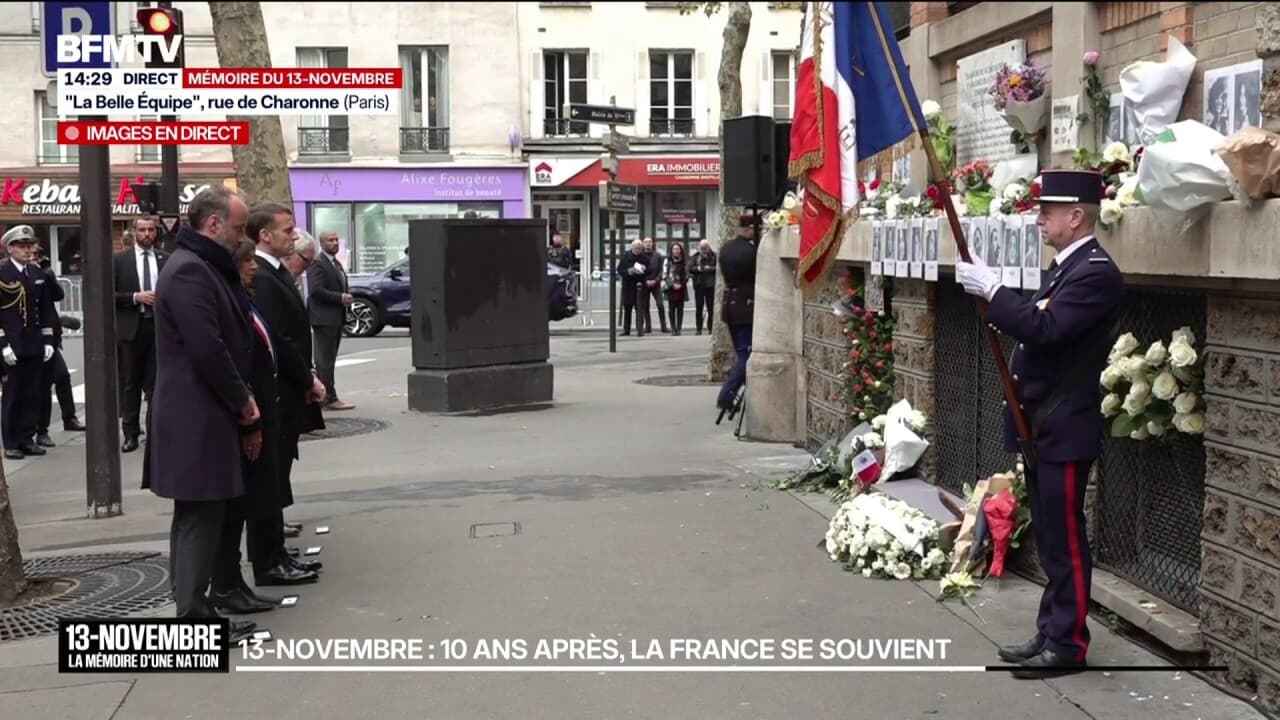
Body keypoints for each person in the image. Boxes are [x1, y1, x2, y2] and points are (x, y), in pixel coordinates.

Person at [955, 169, 1125, 678]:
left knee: (1067, 539)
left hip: (1066, 428)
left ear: (1076, 216)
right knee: (1051, 537)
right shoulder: (1066, 267)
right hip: (1046, 427)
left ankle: (1069, 643)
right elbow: (1037, 324)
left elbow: (1045, 330)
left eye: (1047, 210)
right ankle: (1052, 629)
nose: (1039, 218)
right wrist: (997, 298)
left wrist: (995, 289)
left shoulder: (1096, 272)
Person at [143, 185, 259, 642]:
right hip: (196, 414)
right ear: (213, 225)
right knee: (200, 516)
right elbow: (207, 349)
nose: (240, 236)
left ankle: (196, 606)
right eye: (236, 228)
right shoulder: (192, 270)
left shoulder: (195, 265)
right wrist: (243, 401)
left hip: (197, 411)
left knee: (198, 514)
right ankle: (192, 619)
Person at [249, 205, 325, 586]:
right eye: (287, 229)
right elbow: (277, 336)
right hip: (276, 390)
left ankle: (276, 551)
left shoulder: (274, 272)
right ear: (265, 235)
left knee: (279, 471)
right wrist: (307, 377)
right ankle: (269, 558)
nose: (293, 236)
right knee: (270, 476)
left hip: (287, 389)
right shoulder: (261, 276)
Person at [0, 226, 55, 460]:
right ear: (10, 248)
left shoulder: (36, 273)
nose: (27, 250)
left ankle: (27, 438)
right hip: (11, 343)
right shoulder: (2, 273)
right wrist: (3, 344)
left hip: (33, 342)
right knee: (12, 395)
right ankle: (11, 442)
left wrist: (49, 339)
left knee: (32, 393)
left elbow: (46, 309)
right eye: (21, 246)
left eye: (29, 246)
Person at [113, 216, 166, 452]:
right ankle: (130, 433)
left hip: (158, 327)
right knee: (130, 383)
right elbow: (108, 294)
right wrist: (135, 297)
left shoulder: (165, 259)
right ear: (134, 232)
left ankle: (155, 432)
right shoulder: (120, 261)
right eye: (142, 230)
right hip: (132, 328)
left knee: (155, 384)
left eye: (151, 230)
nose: (147, 234)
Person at [34, 245, 84, 446]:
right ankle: (41, 431)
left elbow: (58, 296)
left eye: (36, 253)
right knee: (41, 386)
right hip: (31, 338)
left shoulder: (44, 274)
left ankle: (69, 417)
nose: (33, 257)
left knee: (62, 377)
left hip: (50, 338)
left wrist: (47, 273)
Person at [306, 230, 356, 411]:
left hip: (335, 318)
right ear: (322, 243)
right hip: (324, 318)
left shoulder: (334, 263)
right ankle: (328, 397)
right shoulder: (318, 263)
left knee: (329, 359)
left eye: (336, 240)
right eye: (330, 240)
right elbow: (316, 291)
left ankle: (323, 395)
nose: (335, 243)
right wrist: (340, 297)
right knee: (324, 360)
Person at [716, 214, 758, 415]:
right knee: (745, 354)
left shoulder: (726, 249)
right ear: (749, 229)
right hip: (746, 307)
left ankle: (730, 393)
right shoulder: (752, 252)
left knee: (740, 352)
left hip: (729, 305)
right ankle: (727, 395)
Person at [616, 240, 646, 336]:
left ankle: (639, 329)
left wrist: (644, 268)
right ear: (632, 247)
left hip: (640, 286)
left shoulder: (644, 257)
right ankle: (626, 329)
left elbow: (650, 269)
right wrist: (629, 271)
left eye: (639, 248)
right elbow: (620, 269)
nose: (637, 250)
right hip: (628, 285)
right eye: (635, 248)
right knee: (627, 308)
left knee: (640, 309)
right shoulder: (626, 256)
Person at [689, 239, 717, 335]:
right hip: (699, 285)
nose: (704, 250)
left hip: (710, 285)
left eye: (705, 248)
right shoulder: (696, 257)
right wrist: (698, 268)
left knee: (711, 308)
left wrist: (710, 268)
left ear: (709, 247)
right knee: (699, 308)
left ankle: (711, 328)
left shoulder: (714, 256)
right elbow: (690, 268)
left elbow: (718, 268)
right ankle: (698, 328)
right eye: (702, 248)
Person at [662, 242, 689, 336]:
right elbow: (664, 275)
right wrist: (672, 284)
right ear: (671, 251)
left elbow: (687, 275)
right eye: (674, 249)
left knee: (680, 309)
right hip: (671, 288)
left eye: (678, 249)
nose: (676, 251)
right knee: (671, 309)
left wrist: (681, 284)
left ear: (680, 250)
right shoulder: (667, 261)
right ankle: (673, 328)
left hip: (681, 288)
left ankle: (679, 328)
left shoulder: (684, 261)